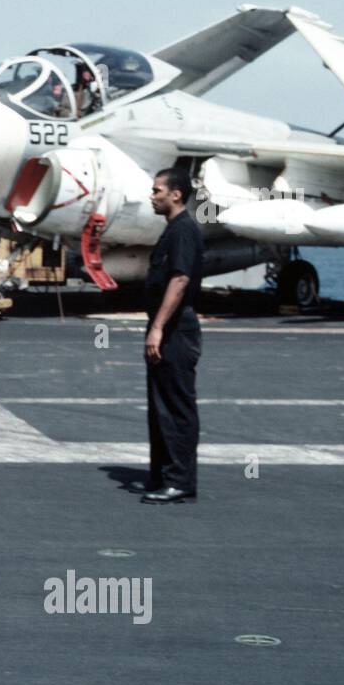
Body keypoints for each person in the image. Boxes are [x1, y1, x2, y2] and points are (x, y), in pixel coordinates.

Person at [137, 168, 204, 504]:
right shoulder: (172, 231)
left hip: (176, 330)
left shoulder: (184, 231)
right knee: (159, 406)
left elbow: (179, 281)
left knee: (176, 406)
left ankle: (180, 481)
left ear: (175, 194)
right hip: (167, 328)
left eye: (157, 190)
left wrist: (159, 327)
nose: (152, 196)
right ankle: (162, 476)